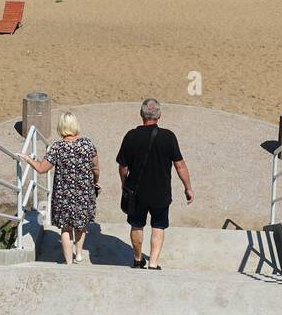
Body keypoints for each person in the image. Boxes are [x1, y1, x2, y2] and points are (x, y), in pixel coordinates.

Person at [116, 99, 193, 270]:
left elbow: (123, 167)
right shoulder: (168, 137)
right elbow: (180, 165)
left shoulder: (131, 136)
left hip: (136, 192)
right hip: (161, 191)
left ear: (141, 114)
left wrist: (124, 184)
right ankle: (153, 263)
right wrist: (188, 187)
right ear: (159, 115)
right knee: (158, 225)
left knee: (137, 224)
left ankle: (137, 259)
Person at [17, 111, 99, 265]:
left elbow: (42, 168)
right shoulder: (88, 144)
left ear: (61, 127)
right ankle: (79, 254)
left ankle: (68, 262)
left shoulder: (57, 148)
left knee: (66, 229)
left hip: (63, 195)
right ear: (75, 125)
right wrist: (96, 182)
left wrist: (28, 159)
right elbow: (96, 168)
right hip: (84, 192)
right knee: (81, 225)